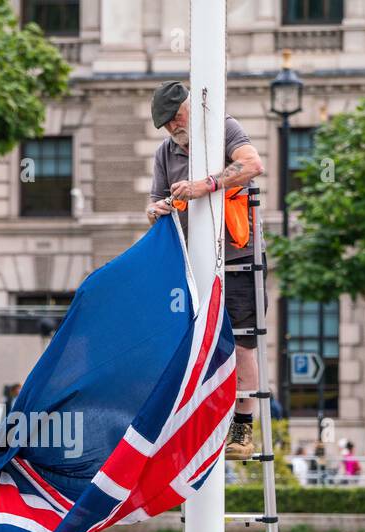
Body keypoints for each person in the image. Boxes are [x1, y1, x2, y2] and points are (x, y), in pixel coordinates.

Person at [146, 80, 265, 461]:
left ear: (188, 109)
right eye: (165, 124)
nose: (171, 128)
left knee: (243, 340)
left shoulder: (224, 129)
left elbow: (252, 164)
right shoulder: (166, 153)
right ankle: (194, 417)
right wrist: (157, 209)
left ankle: (243, 427)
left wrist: (206, 185)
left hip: (238, 256)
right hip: (193, 262)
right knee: (193, 340)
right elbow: (153, 202)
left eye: (174, 118)